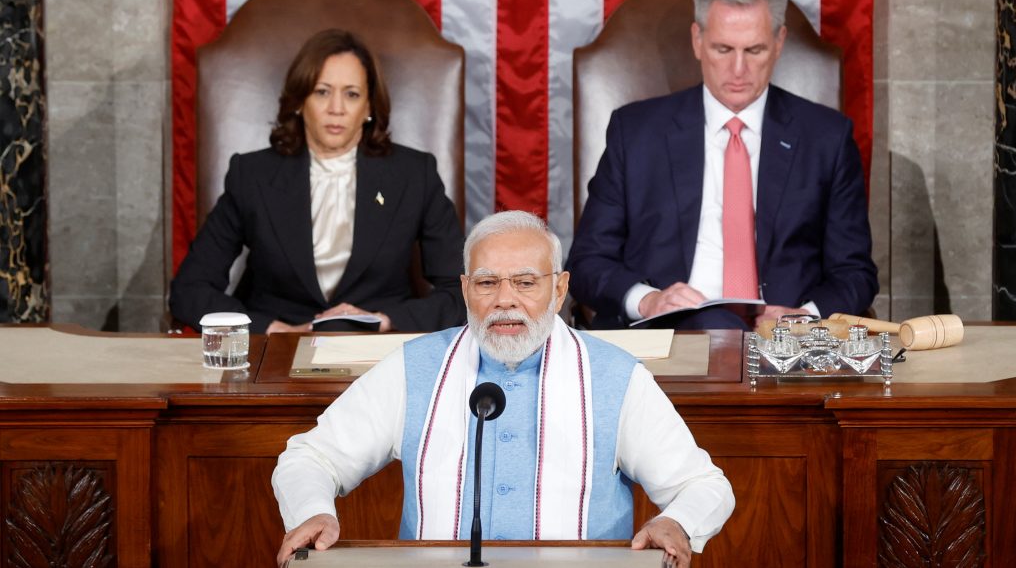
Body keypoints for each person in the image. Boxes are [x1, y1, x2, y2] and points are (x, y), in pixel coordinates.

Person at [272, 211, 734, 567]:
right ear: (465, 289)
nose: (504, 300)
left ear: (559, 290)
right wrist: (313, 511)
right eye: (487, 283)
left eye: (526, 283)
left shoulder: (614, 376)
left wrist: (676, 522)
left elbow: (702, 485)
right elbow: (311, 457)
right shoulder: (415, 368)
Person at [566, 0, 878, 330]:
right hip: (664, 335)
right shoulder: (636, 132)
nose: (738, 70)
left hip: (779, 340)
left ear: (778, 43)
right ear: (697, 41)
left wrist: (804, 318)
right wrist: (647, 300)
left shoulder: (827, 138)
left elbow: (854, 272)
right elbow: (587, 262)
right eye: (723, 49)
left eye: (754, 50)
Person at [169, 29, 465, 334]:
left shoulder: (414, 174)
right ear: (300, 101)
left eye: (352, 94)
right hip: (277, 350)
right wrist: (272, 330)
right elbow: (189, 290)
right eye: (322, 92)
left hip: (377, 348)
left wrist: (386, 320)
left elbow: (463, 291)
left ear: (369, 107)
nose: (336, 108)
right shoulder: (252, 175)